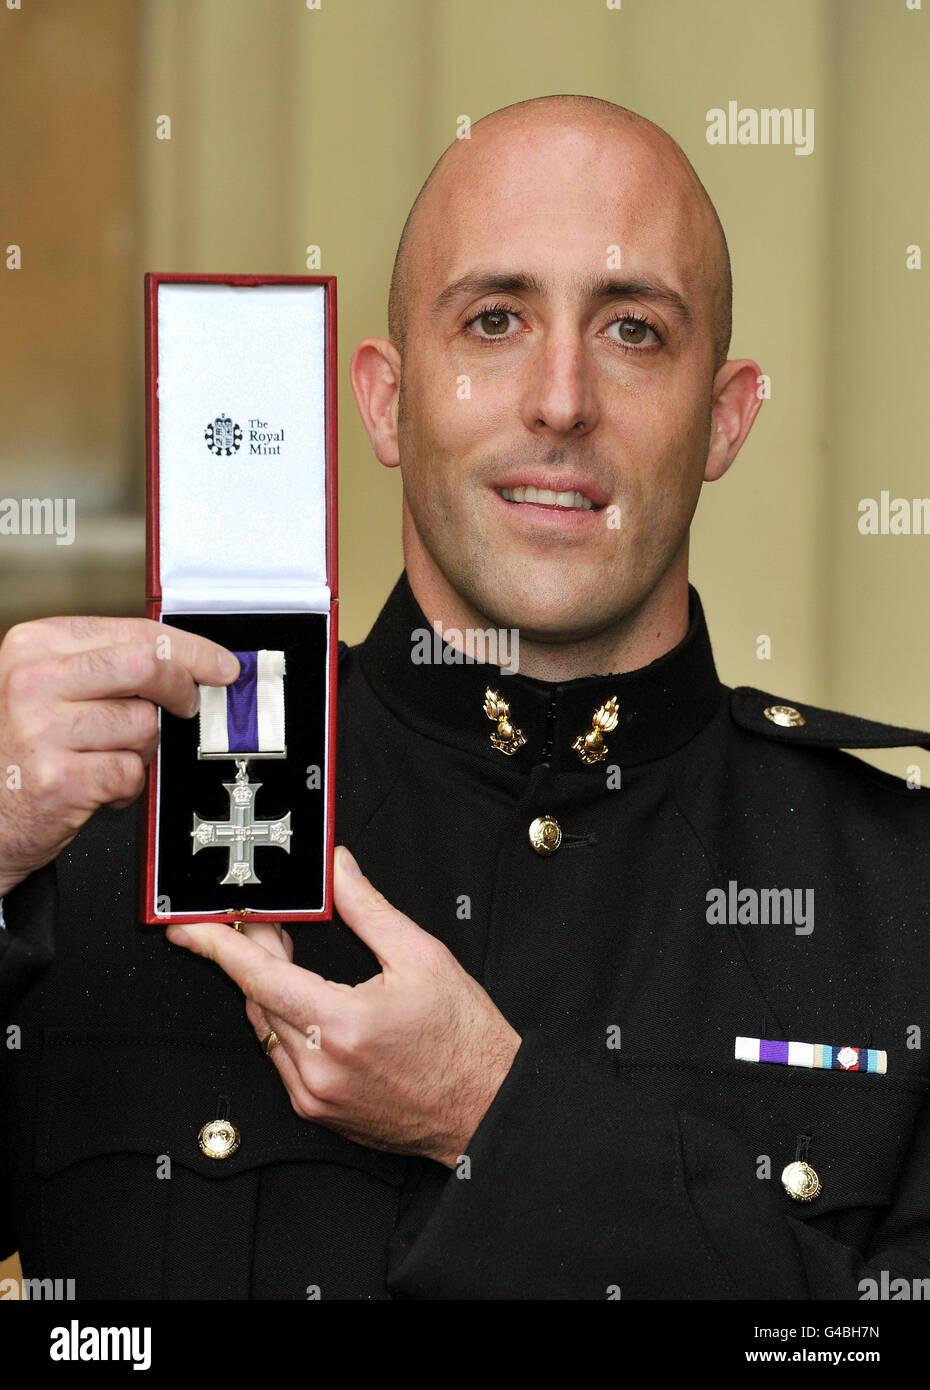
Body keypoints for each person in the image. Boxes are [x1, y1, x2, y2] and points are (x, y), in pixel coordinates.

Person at [1, 94, 929, 1301]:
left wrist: (498, 1121)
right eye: (494, 320)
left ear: (726, 415)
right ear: (384, 400)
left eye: (634, 330)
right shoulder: (102, 835)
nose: (559, 399)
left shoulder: (895, 900)